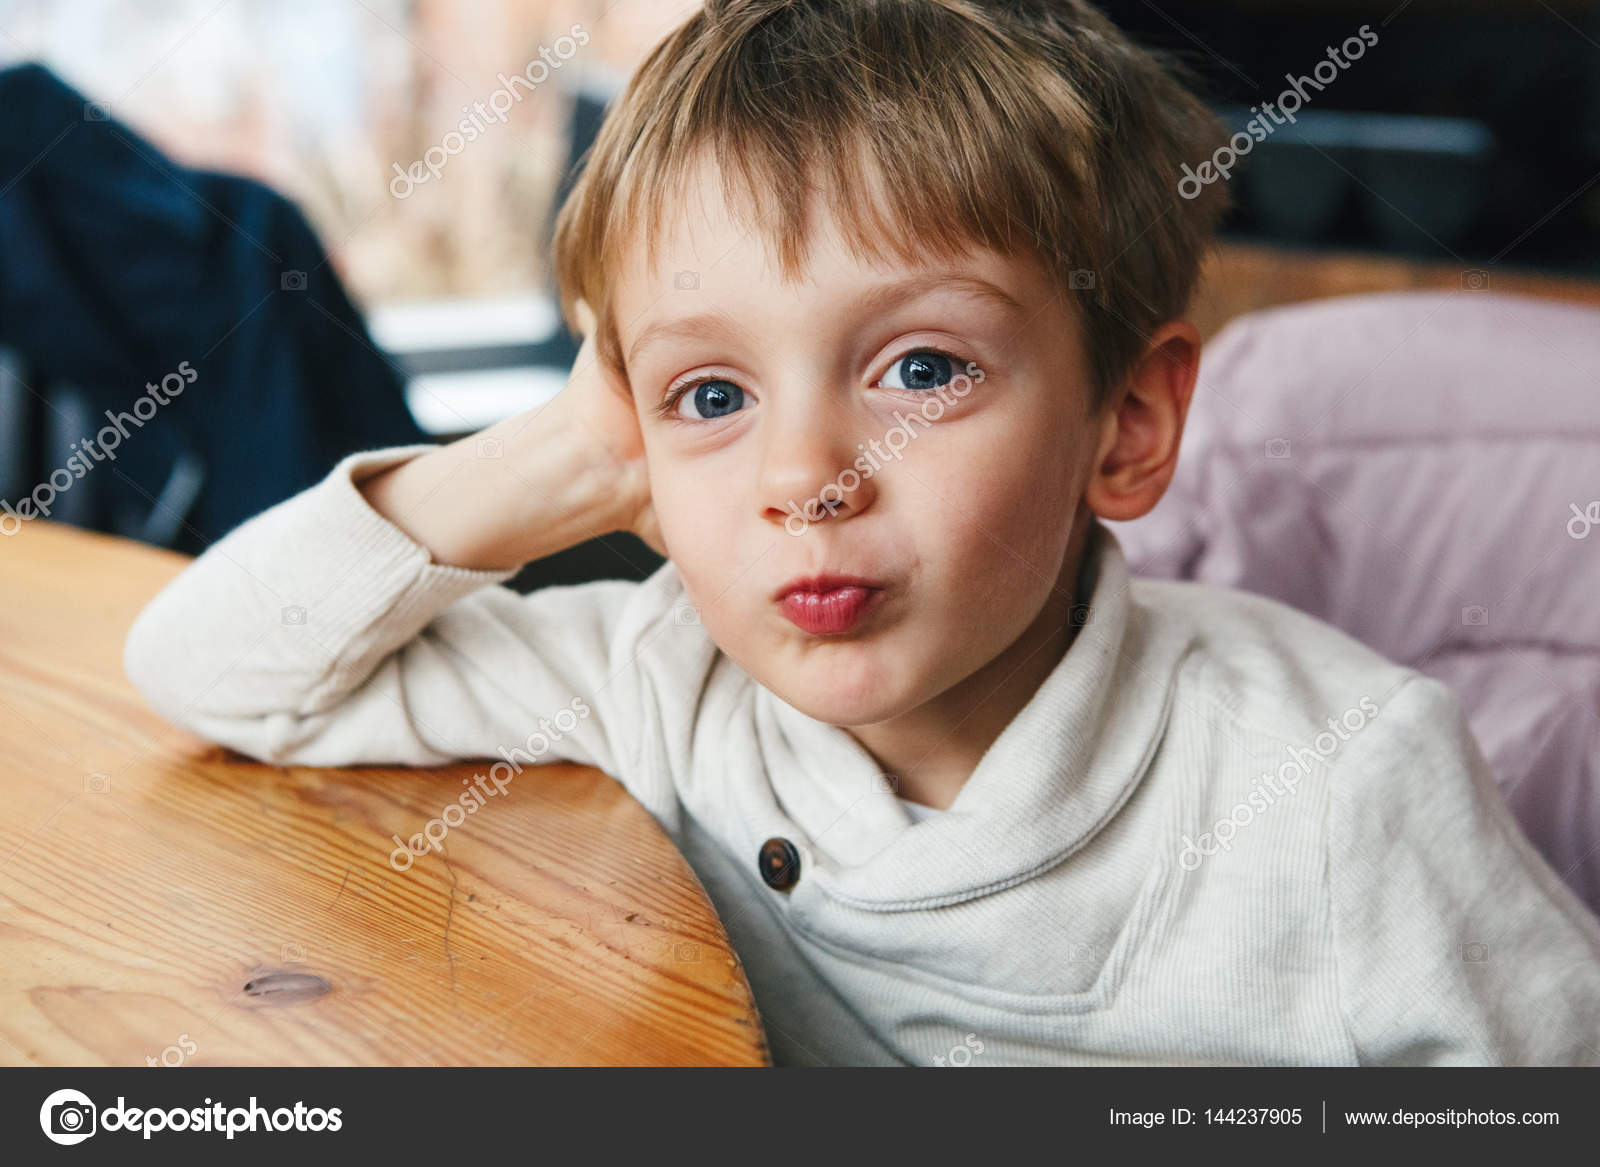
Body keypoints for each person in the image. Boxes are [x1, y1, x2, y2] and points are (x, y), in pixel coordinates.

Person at [125, 0, 1600, 1066]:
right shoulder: (659, 674)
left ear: (1127, 425)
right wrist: (573, 449)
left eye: (922, 371)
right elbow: (215, 667)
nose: (810, 477)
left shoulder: (1352, 788)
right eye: (711, 391)